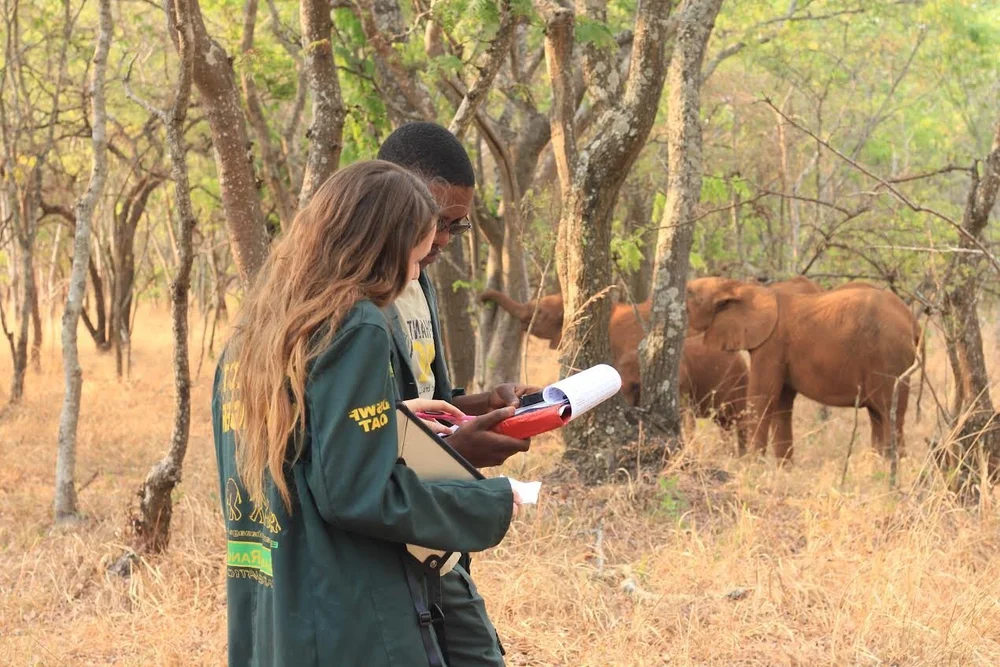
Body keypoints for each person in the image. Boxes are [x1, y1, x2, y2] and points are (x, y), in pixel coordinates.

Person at [212, 160, 519, 666]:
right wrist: (490, 501)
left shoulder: (255, 336)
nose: (417, 274)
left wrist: (390, 415)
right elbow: (356, 492)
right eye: (416, 258)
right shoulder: (356, 327)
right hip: (346, 611)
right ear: (383, 248)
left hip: (273, 605)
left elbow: (302, 454)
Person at [377, 122, 537, 666]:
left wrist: (485, 405)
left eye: (456, 227)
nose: (442, 239)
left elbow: (428, 401)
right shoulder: (355, 305)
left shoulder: (418, 280)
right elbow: (364, 438)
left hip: (436, 531)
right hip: (389, 534)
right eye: (435, 222)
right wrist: (458, 451)